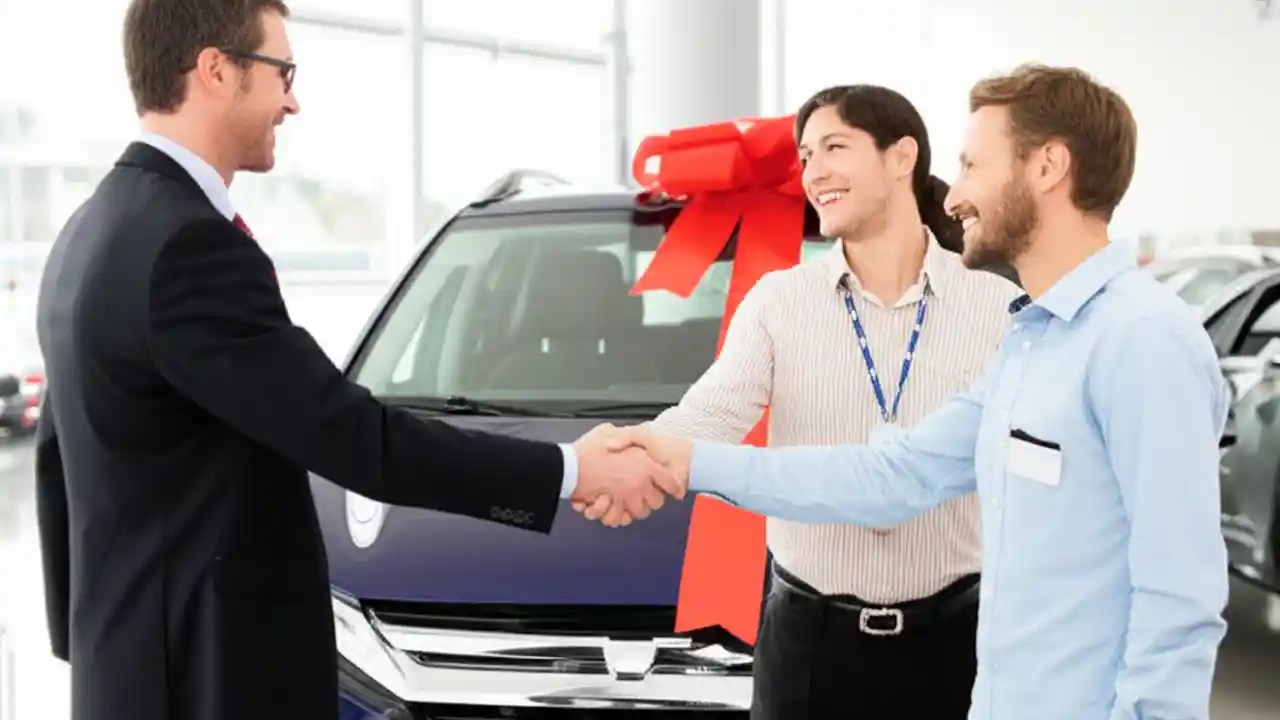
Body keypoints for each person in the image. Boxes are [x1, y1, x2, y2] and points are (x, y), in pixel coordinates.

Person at [33, 2, 674, 719]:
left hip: (132, 672)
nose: (292, 101)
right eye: (283, 72)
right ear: (215, 69)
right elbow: (351, 436)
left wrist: (95, 643)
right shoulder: (189, 247)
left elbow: (60, 461)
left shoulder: (91, 231)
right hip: (208, 682)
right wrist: (573, 469)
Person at [597, 64, 1231, 720]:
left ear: (1047, 168)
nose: (954, 195)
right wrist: (674, 455)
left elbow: (1178, 600)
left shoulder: (1142, 341)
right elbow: (893, 475)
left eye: (973, 166)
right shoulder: (1035, 341)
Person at [580, 85, 1020, 719]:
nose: (814, 172)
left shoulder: (992, 307)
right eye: (806, 155)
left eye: (834, 148)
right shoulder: (779, 300)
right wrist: (625, 456)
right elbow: (710, 416)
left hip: (957, 644)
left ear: (902, 158)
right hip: (809, 645)